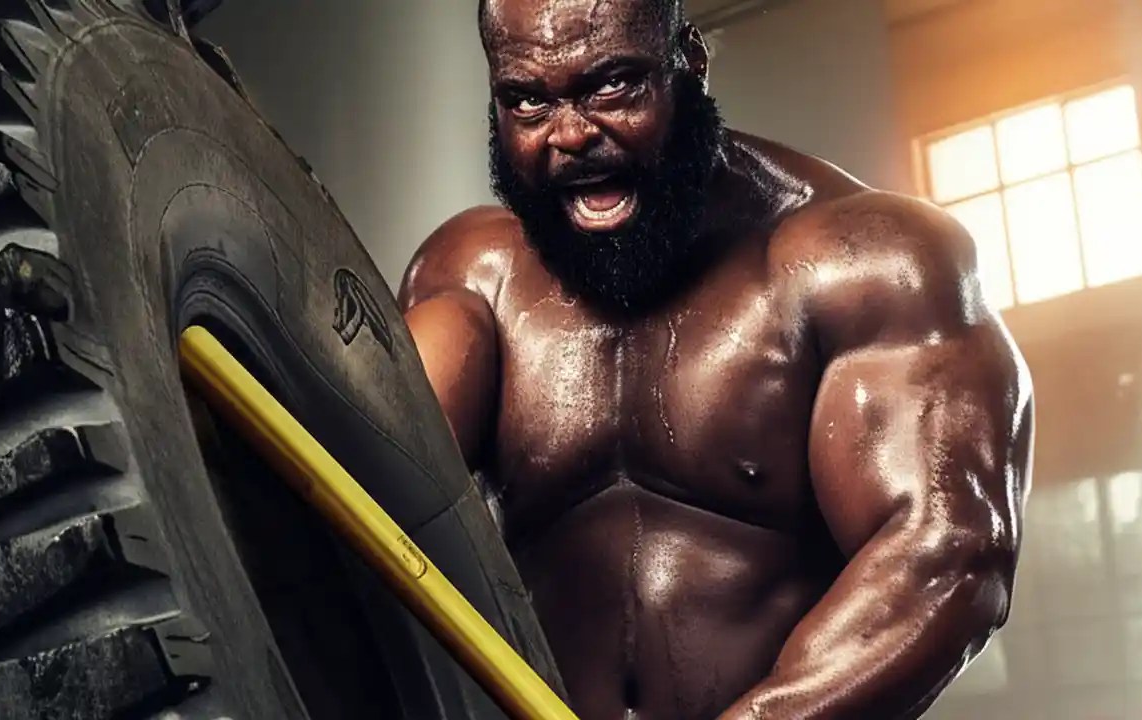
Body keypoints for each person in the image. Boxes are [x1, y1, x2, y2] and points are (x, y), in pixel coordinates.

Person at [397, 1, 1034, 718]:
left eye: (613, 85)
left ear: (687, 60)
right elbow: (371, 517)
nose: (570, 133)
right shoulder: (472, 275)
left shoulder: (865, 261)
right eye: (527, 100)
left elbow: (947, 554)